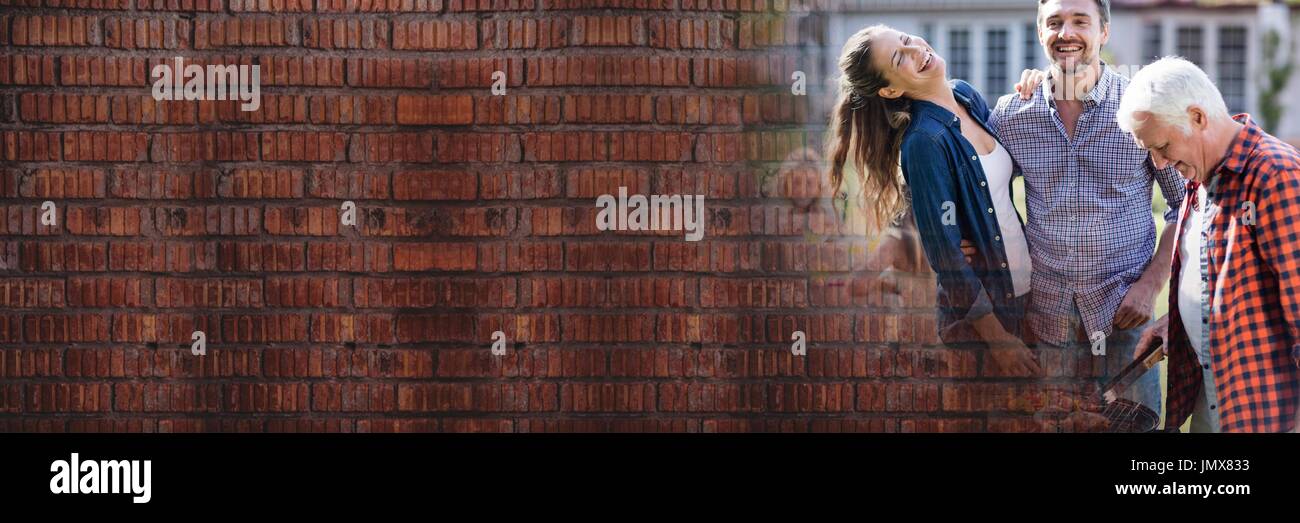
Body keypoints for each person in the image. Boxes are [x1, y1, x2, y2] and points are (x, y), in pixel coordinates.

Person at [982, 0, 1185, 419]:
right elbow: (986, 197)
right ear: (1041, 33)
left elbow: (1184, 205)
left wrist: (1150, 285)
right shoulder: (1013, 114)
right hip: (1046, 320)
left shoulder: (1141, 109)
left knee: (1134, 433)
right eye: (1054, 22)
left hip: (1126, 318)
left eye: (1080, 21)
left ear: (1103, 32)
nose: (1066, 33)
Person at [827, 24, 1040, 376]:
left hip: (1022, 298)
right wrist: (999, 341)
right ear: (891, 88)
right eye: (899, 57)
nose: (915, 51)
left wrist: (1034, 90)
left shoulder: (967, 96)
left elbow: (996, 186)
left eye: (907, 40)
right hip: (986, 328)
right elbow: (947, 257)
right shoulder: (924, 142)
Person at [1123, 57, 1300, 433]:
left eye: (1163, 146)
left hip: (1268, 414)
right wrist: (1180, 323)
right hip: (1215, 395)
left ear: (1198, 118)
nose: (1160, 163)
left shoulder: (1277, 176)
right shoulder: (1200, 173)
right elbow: (1223, 279)